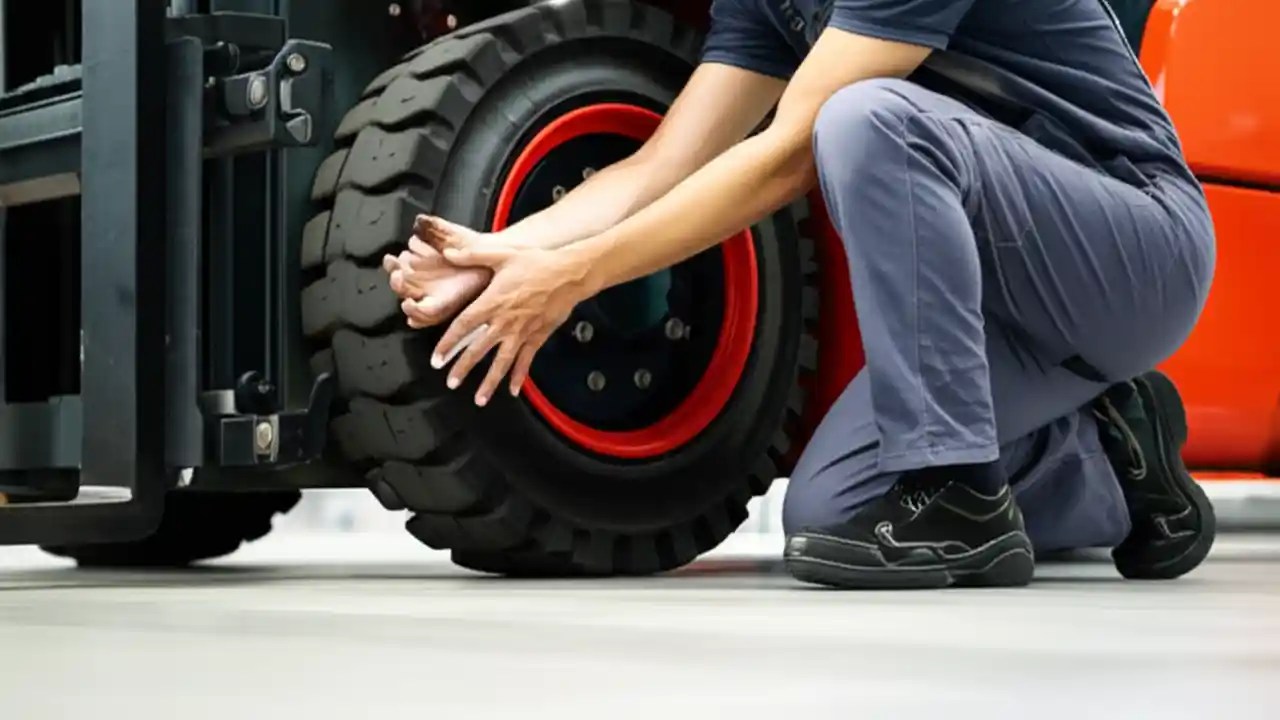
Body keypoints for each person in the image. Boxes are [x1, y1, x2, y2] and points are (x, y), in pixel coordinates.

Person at [382, 0, 1217, 589]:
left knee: (868, 121)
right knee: (829, 511)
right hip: (1005, 299)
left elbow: (791, 154)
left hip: (1133, 246)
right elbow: (667, 163)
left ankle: (962, 500)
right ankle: (1108, 453)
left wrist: (576, 278)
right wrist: (500, 254)